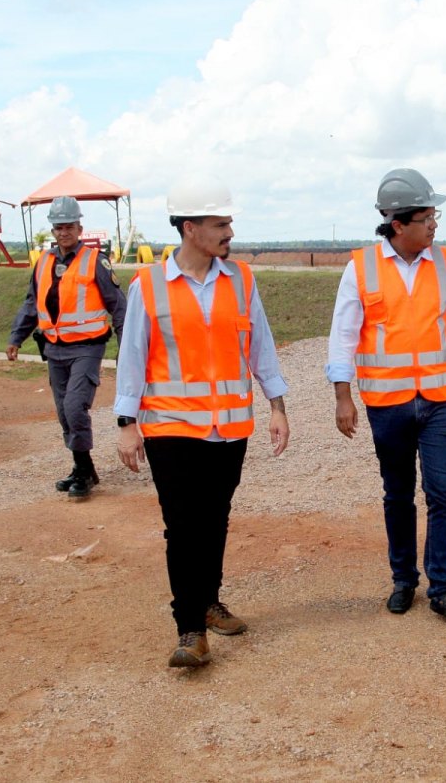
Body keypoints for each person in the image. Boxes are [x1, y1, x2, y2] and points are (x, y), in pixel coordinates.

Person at [114, 177, 290, 668]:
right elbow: (132, 357)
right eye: (220, 223)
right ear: (191, 229)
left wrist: (277, 405)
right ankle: (189, 628)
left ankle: (209, 602)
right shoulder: (148, 286)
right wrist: (127, 421)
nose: (229, 231)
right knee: (182, 526)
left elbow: (261, 347)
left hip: (229, 427)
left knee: (214, 520)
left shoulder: (242, 280)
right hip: (170, 426)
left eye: (229, 222)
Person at [327, 169, 446, 624]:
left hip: (441, 400)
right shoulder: (361, 268)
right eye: (427, 216)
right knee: (397, 494)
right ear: (398, 223)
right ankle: (403, 580)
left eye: (435, 215)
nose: (434, 224)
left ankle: (443, 588)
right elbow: (343, 336)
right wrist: (343, 396)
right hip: (387, 403)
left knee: (443, 493)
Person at [7, 195, 126, 500]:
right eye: (58, 227)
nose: (63, 232)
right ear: (52, 230)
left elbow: (118, 306)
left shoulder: (95, 261)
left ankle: (84, 471)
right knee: (63, 412)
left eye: (69, 226)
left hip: (87, 347)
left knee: (75, 406)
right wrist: (16, 337)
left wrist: (126, 347)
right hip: (54, 349)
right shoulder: (44, 262)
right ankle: (82, 467)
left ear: (79, 227)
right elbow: (32, 303)